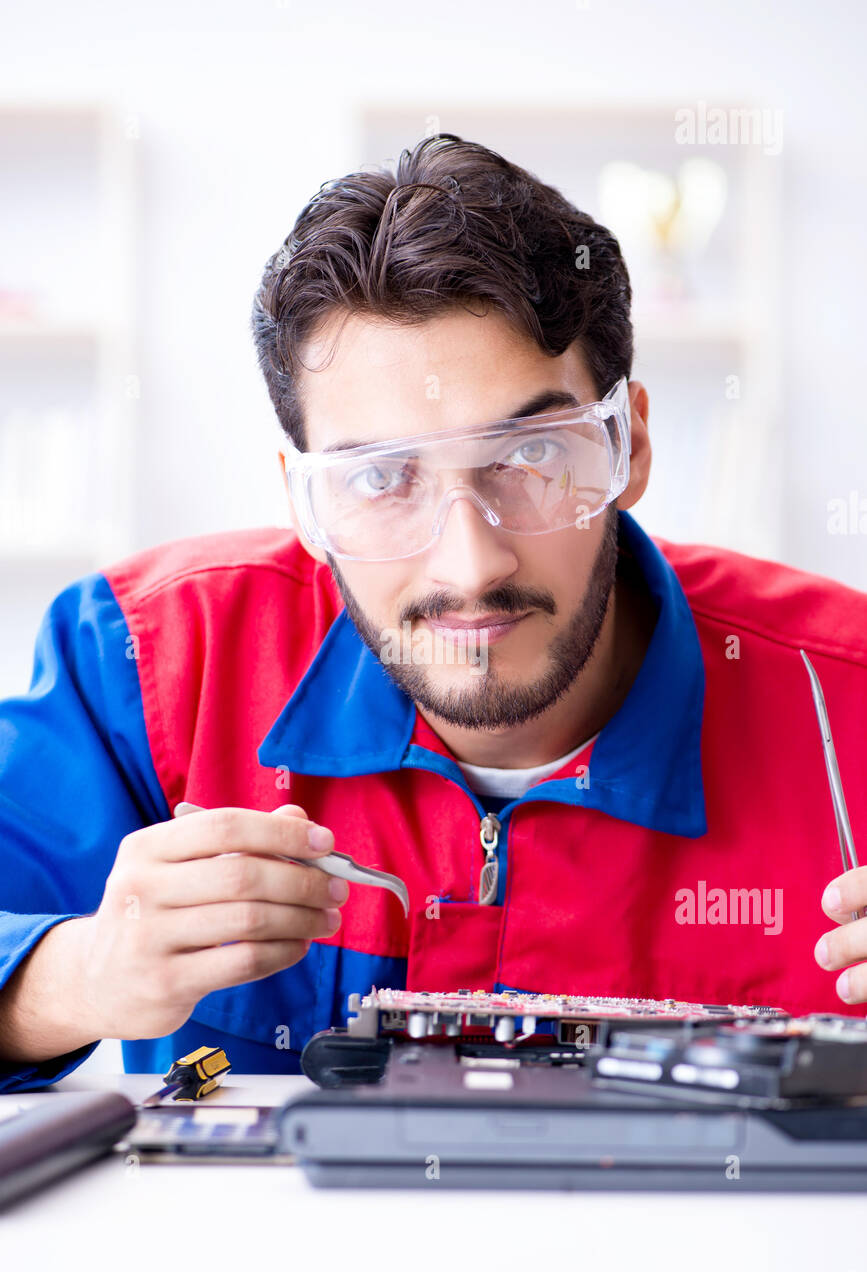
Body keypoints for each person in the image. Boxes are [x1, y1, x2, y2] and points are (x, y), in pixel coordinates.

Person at [1, 133, 865, 1091]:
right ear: (303, 501)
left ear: (628, 448)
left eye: (530, 457)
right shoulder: (138, 659)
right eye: (380, 477)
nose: (469, 561)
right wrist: (86, 975)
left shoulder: (849, 694)